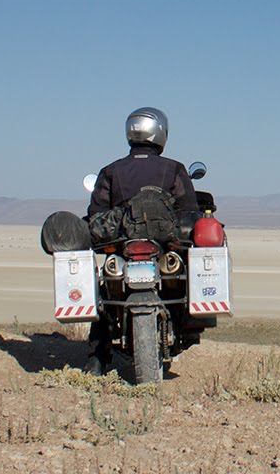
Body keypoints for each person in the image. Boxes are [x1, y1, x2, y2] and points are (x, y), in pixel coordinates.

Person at [83, 106, 199, 375]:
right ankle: (188, 329)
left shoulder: (111, 171)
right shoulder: (174, 169)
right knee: (183, 278)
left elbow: (96, 215)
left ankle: (96, 361)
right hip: (162, 247)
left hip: (124, 247)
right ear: (160, 133)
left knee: (103, 295)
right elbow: (189, 212)